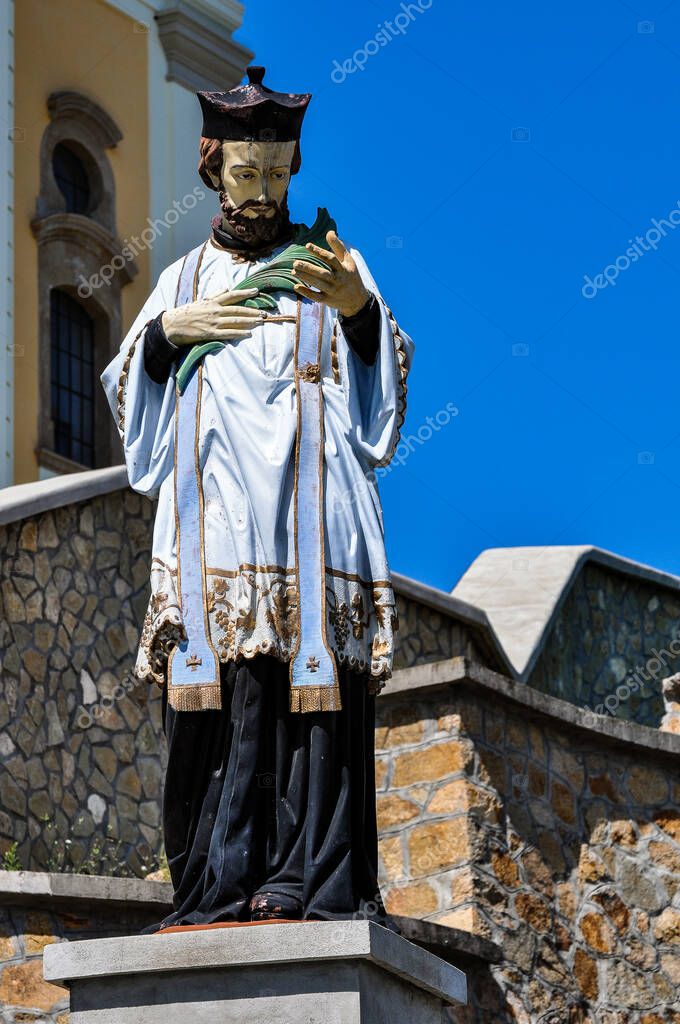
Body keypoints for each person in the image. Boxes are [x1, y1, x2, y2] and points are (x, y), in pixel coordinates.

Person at [102, 66, 413, 929]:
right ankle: (217, 883)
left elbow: (382, 398)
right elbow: (130, 402)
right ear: (213, 169)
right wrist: (167, 337)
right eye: (248, 175)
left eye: (279, 175)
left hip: (313, 533)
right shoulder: (182, 281)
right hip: (220, 535)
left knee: (313, 711)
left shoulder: (329, 267)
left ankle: (311, 884)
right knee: (226, 709)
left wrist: (355, 312)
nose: (265, 192)